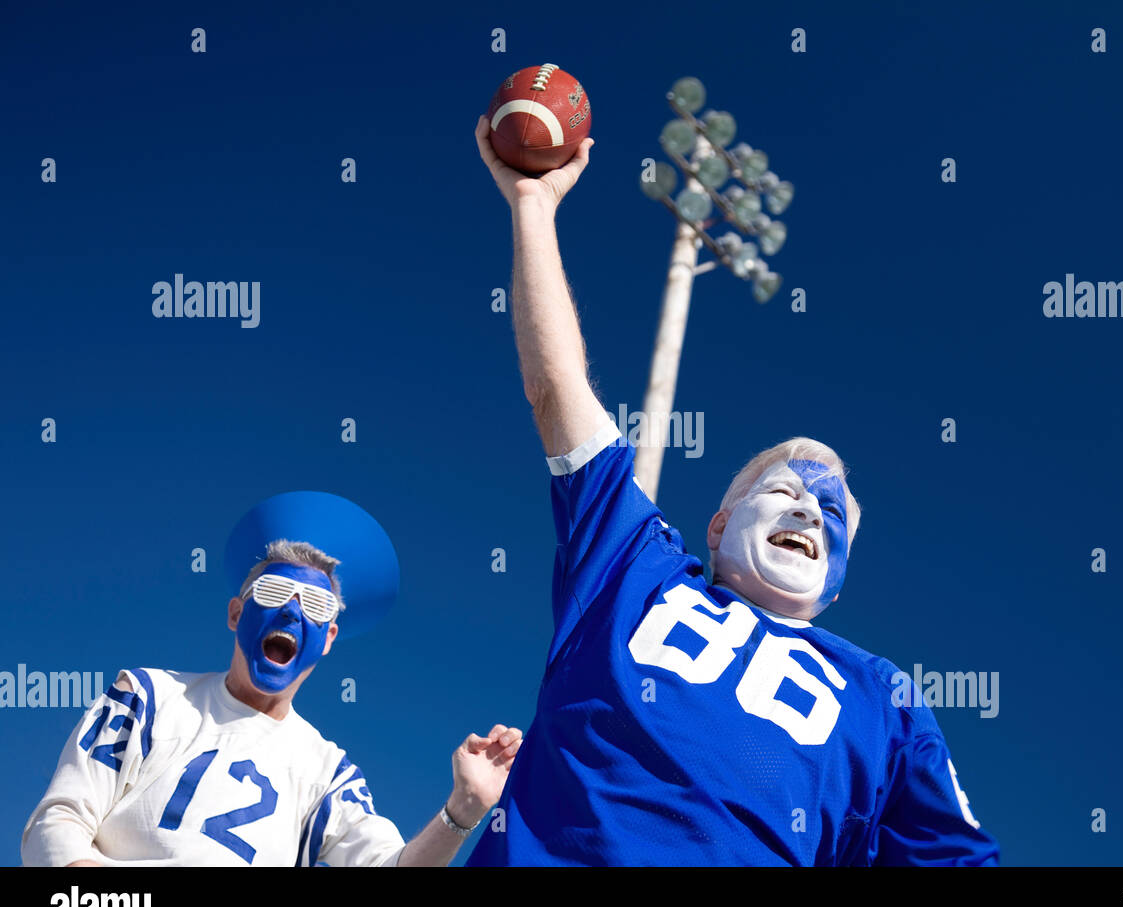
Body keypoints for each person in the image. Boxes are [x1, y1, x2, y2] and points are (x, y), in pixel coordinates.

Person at [466, 115, 999, 865]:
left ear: (838, 585)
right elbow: (557, 391)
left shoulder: (885, 698)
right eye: (783, 488)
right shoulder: (633, 568)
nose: (811, 506)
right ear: (716, 528)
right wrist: (533, 208)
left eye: (834, 513)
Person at [22, 539, 521, 866]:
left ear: (327, 639)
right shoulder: (151, 695)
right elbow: (56, 825)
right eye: (275, 591)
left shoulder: (327, 772)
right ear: (237, 613)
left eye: (315, 606)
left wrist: (464, 808)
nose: (291, 608)